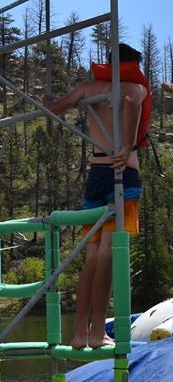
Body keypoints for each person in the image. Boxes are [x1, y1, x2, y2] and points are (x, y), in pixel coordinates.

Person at [43, 43, 148, 349]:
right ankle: (97, 331)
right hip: (121, 172)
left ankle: (78, 333)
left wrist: (50, 100)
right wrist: (127, 146)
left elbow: (54, 108)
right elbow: (131, 103)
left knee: (91, 255)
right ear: (132, 64)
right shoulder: (134, 87)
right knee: (108, 254)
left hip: (95, 172)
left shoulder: (89, 87)